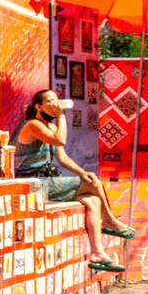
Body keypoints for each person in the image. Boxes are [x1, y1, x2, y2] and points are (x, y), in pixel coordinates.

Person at [15, 89, 135, 271]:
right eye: (49, 101)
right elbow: (60, 141)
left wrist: (82, 172)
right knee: (92, 184)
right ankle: (110, 220)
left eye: (56, 100)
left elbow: (62, 158)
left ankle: (97, 252)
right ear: (38, 107)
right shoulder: (32, 125)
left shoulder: (51, 127)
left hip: (46, 181)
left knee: (93, 199)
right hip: (33, 183)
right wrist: (61, 115)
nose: (54, 104)